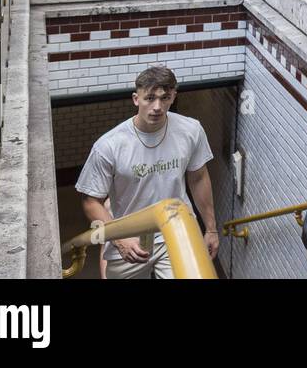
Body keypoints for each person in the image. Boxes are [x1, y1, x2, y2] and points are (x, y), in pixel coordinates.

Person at [76, 66, 218, 279]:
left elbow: (198, 178)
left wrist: (211, 228)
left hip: (176, 230)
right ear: (136, 99)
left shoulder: (191, 130)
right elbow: (91, 201)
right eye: (149, 98)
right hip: (130, 236)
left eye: (165, 98)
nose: (157, 106)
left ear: (173, 97)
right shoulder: (109, 145)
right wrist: (119, 239)